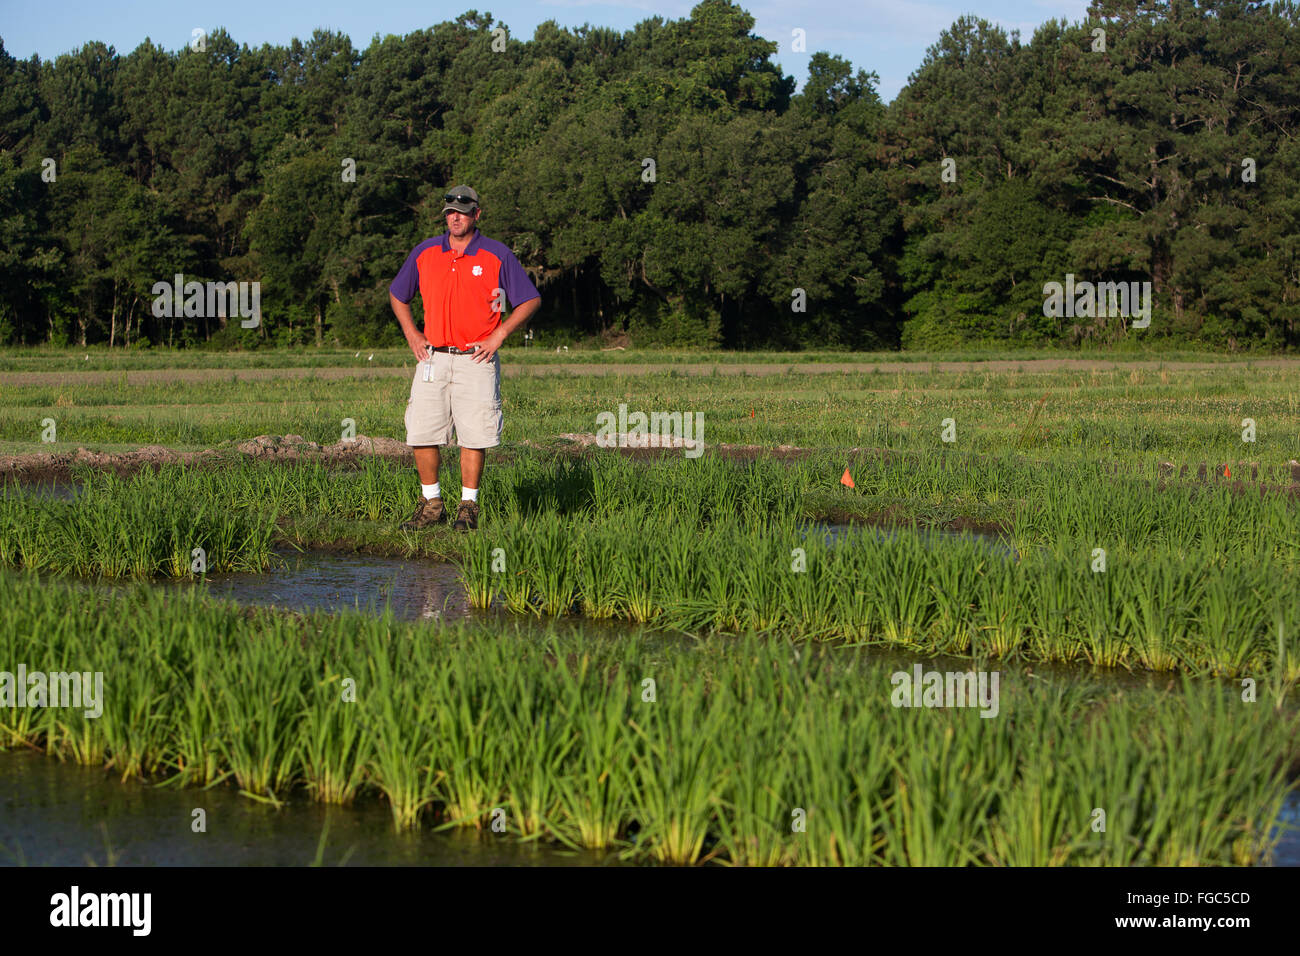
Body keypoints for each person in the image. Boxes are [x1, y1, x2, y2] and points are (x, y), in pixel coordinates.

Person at [389, 185, 541, 531]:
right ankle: (431, 504)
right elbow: (398, 294)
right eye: (449, 212)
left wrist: (499, 334)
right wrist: (412, 333)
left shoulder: (496, 254)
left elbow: (530, 299)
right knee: (421, 431)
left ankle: (467, 508)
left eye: (462, 210)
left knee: (474, 435)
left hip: (476, 357)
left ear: (476, 214)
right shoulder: (425, 252)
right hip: (433, 357)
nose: (455, 217)